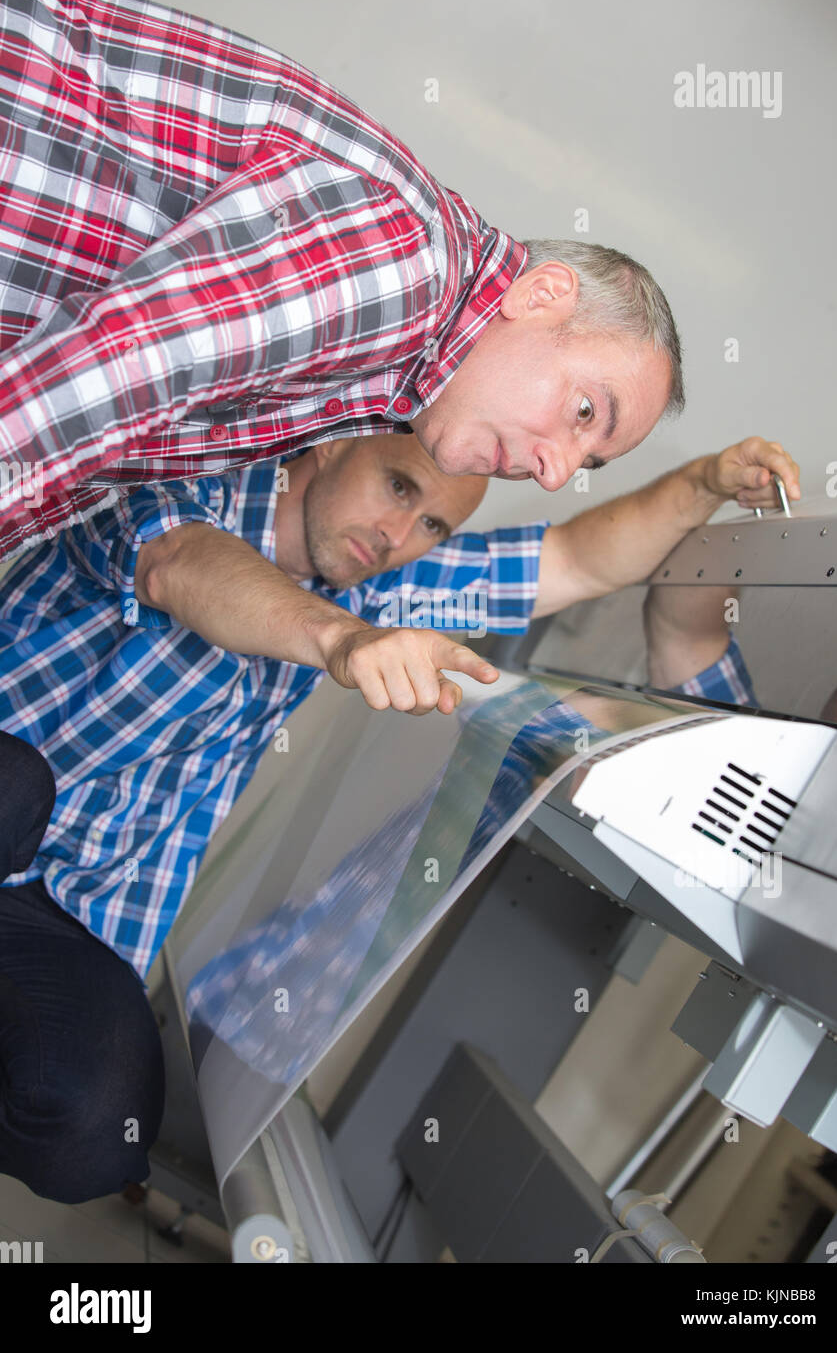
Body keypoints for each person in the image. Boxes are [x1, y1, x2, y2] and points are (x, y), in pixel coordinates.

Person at [0, 427, 777, 1203]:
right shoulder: (188, 478)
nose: (400, 535)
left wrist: (706, 479)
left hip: (69, 908)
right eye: (399, 487)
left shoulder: (372, 582)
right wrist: (342, 639)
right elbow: (175, 566)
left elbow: (574, 559)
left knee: (97, 1135)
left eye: (435, 525)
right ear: (337, 443)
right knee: (18, 788)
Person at [0, 0, 798, 567]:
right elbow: (107, 377)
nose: (556, 472)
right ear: (544, 295)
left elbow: (91, 446)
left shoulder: (392, 375)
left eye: (585, 462)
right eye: (585, 413)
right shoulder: (411, 268)